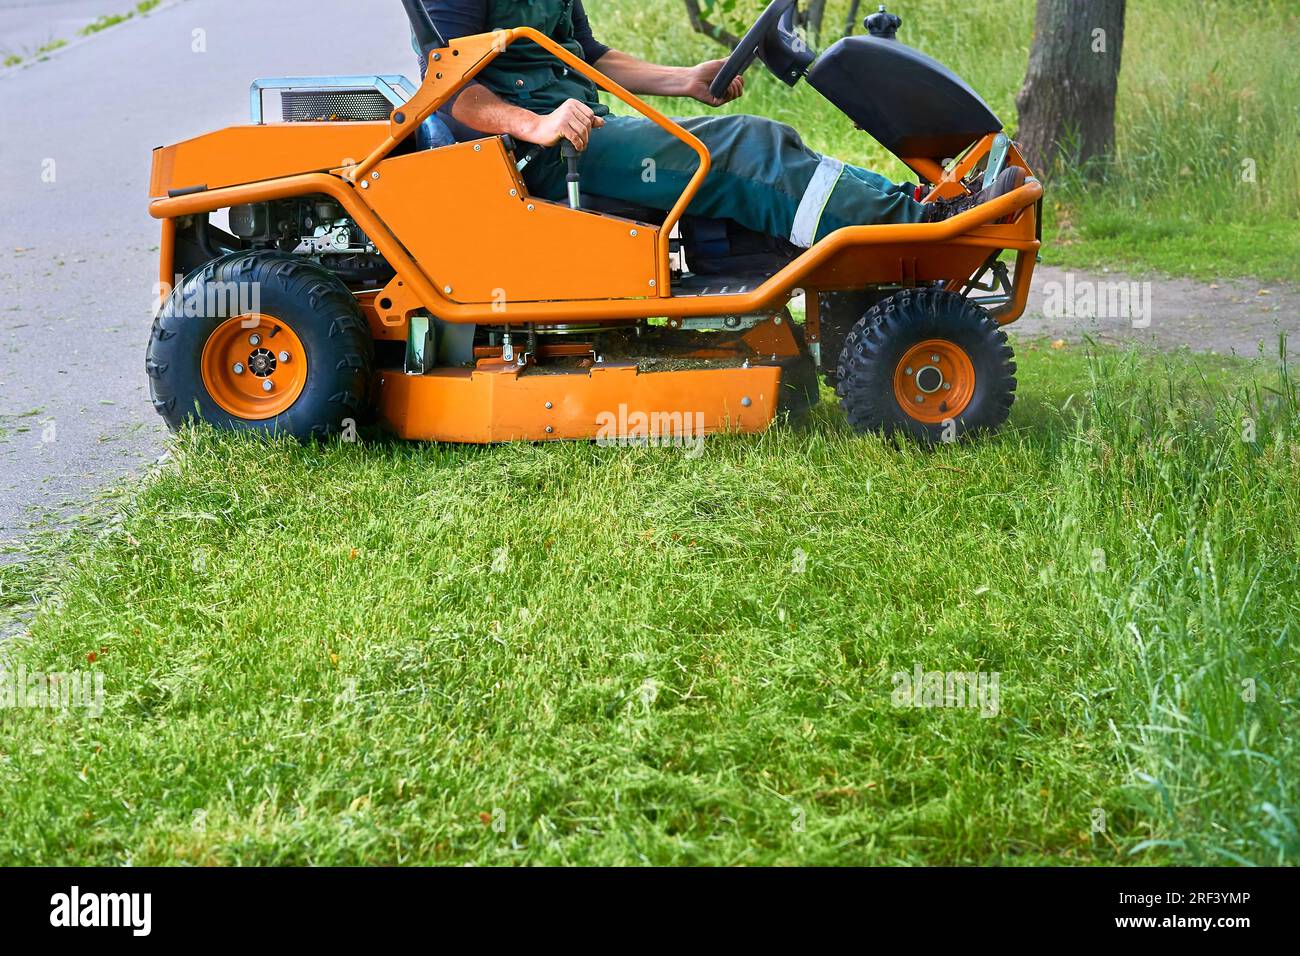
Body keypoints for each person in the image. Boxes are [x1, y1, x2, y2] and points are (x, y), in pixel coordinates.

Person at [418, 1, 1024, 248]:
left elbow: (591, 56)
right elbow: (449, 89)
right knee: (743, 145)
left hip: (583, 128)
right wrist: (536, 125)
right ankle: (921, 230)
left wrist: (686, 78)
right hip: (536, 156)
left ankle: (915, 203)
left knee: (769, 140)